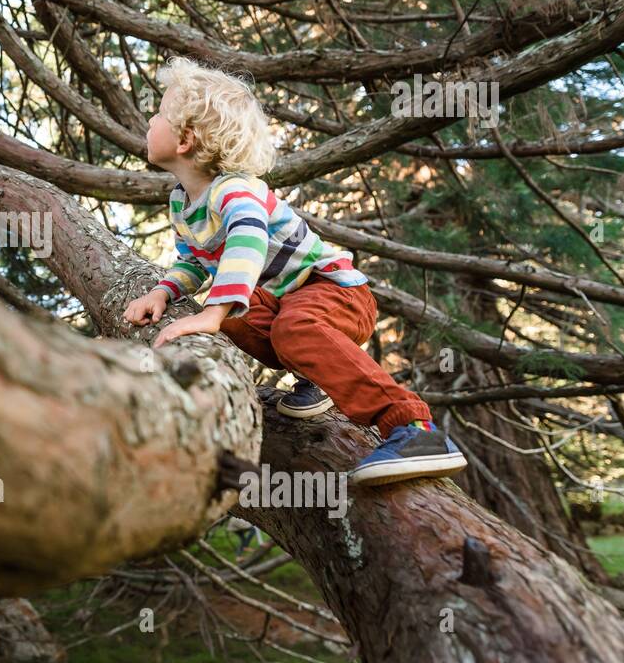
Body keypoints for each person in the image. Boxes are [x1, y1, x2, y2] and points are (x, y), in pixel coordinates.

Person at [122, 58, 467, 487]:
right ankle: (316, 379)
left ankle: (414, 427)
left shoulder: (236, 191)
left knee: (278, 322)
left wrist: (209, 314)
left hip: (336, 293)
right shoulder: (182, 202)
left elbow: (246, 242)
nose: (149, 120)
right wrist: (163, 293)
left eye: (158, 113)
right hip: (292, 304)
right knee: (241, 316)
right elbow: (194, 261)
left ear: (187, 139)